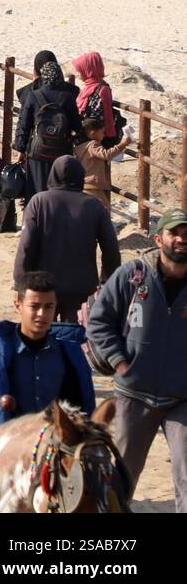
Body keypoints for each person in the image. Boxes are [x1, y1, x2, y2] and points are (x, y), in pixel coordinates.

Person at [87, 210, 187, 511]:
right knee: (120, 479)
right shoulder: (133, 275)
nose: (182, 239)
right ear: (159, 239)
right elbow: (99, 322)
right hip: (134, 393)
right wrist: (119, 361)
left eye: (186, 234)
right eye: (175, 233)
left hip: (181, 398)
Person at [0, 271, 95, 436]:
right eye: (35, 306)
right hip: (3, 454)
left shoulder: (71, 355)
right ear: (18, 305)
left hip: (55, 456)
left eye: (48, 307)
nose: (42, 314)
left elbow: (87, 415)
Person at [13, 155, 121, 322]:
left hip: (44, 287)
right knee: (76, 341)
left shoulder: (39, 202)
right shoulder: (94, 205)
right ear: (80, 176)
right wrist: (107, 283)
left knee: (43, 339)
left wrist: (20, 284)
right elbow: (111, 249)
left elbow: (26, 247)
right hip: (82, 287)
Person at [12, 59, 84, 199]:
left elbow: (24, 124)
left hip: (38, 152)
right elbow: (77, 125)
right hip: (61, 151)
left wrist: (21, 148)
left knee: (36, 193)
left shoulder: (34, 95)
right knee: (59, 190)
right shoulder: (68, 97)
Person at [76, 117, 130, 210]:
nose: (104, 136)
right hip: (92, 184)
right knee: (104, 209)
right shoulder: (93, 145)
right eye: (102, 133)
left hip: (84, 183)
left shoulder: (79, 146)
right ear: (93, 133)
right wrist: (122, 144)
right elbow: (106, 155)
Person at [74, 51, 122, 148]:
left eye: (79, 70)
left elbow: (99, 115)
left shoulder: (102, 89)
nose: (77, 74)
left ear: (88, 70)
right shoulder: (88, 86)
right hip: (85, 134)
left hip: (94, 138)